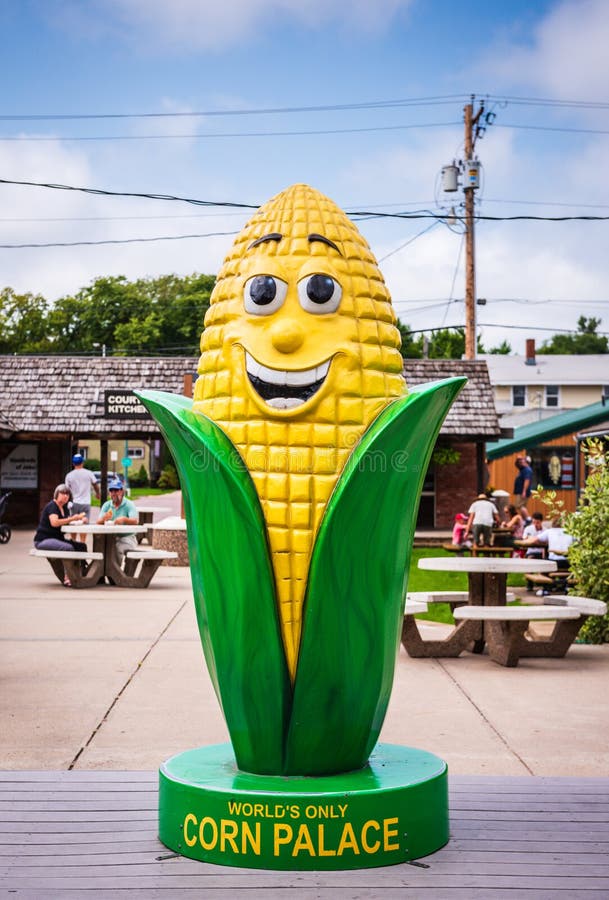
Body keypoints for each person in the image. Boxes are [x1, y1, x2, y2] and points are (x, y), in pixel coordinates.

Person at [34, 484, 88, 586]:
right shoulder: (52, 506)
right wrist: (72, 519)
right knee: (68, 548)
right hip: (43, 540)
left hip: (57, 539)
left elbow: (65, 522)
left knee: (81, 546)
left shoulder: (64, 508)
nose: (65, 496)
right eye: (62, 493)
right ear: (56, 494)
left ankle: (82, 571)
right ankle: (67, 576)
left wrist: (80, 519)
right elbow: (54, 522)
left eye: (67, 494)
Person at [97, 479, 139, 563]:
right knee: (100, 549)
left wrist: (124, 519)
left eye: (116, 490)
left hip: (127, 537)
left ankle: (115, 573)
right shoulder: (107, 505)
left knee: (117, 549)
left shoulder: (129, 504)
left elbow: (135, 521)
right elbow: (98, 522)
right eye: (111, 490)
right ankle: (104, 573)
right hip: (110, 538)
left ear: (121, 491)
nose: (113, 493)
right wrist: (104, 518)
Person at [65, 453, 100, 543]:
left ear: (73, 463)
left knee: (73, 523)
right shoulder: (89, 473)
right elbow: (95, 484)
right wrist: (98, 494)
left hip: (74, 502)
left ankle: (73, 542)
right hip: (86, 503)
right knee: (84, 524)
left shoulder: (69, 475)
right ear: (82, 462)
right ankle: (82, 543)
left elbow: (67, 489)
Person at [513, 455, 534, 520]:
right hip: (521, 491)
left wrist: (524, 491)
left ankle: (528, 519)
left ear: (527, 462)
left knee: (519, 505)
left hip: (522, 491)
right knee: (522, 506)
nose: (522, 462)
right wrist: (518, 459)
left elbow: (527, 480)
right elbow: (516, 464)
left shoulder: (527, 470)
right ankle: (525, 520)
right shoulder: (523, 469)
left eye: (523, 461)